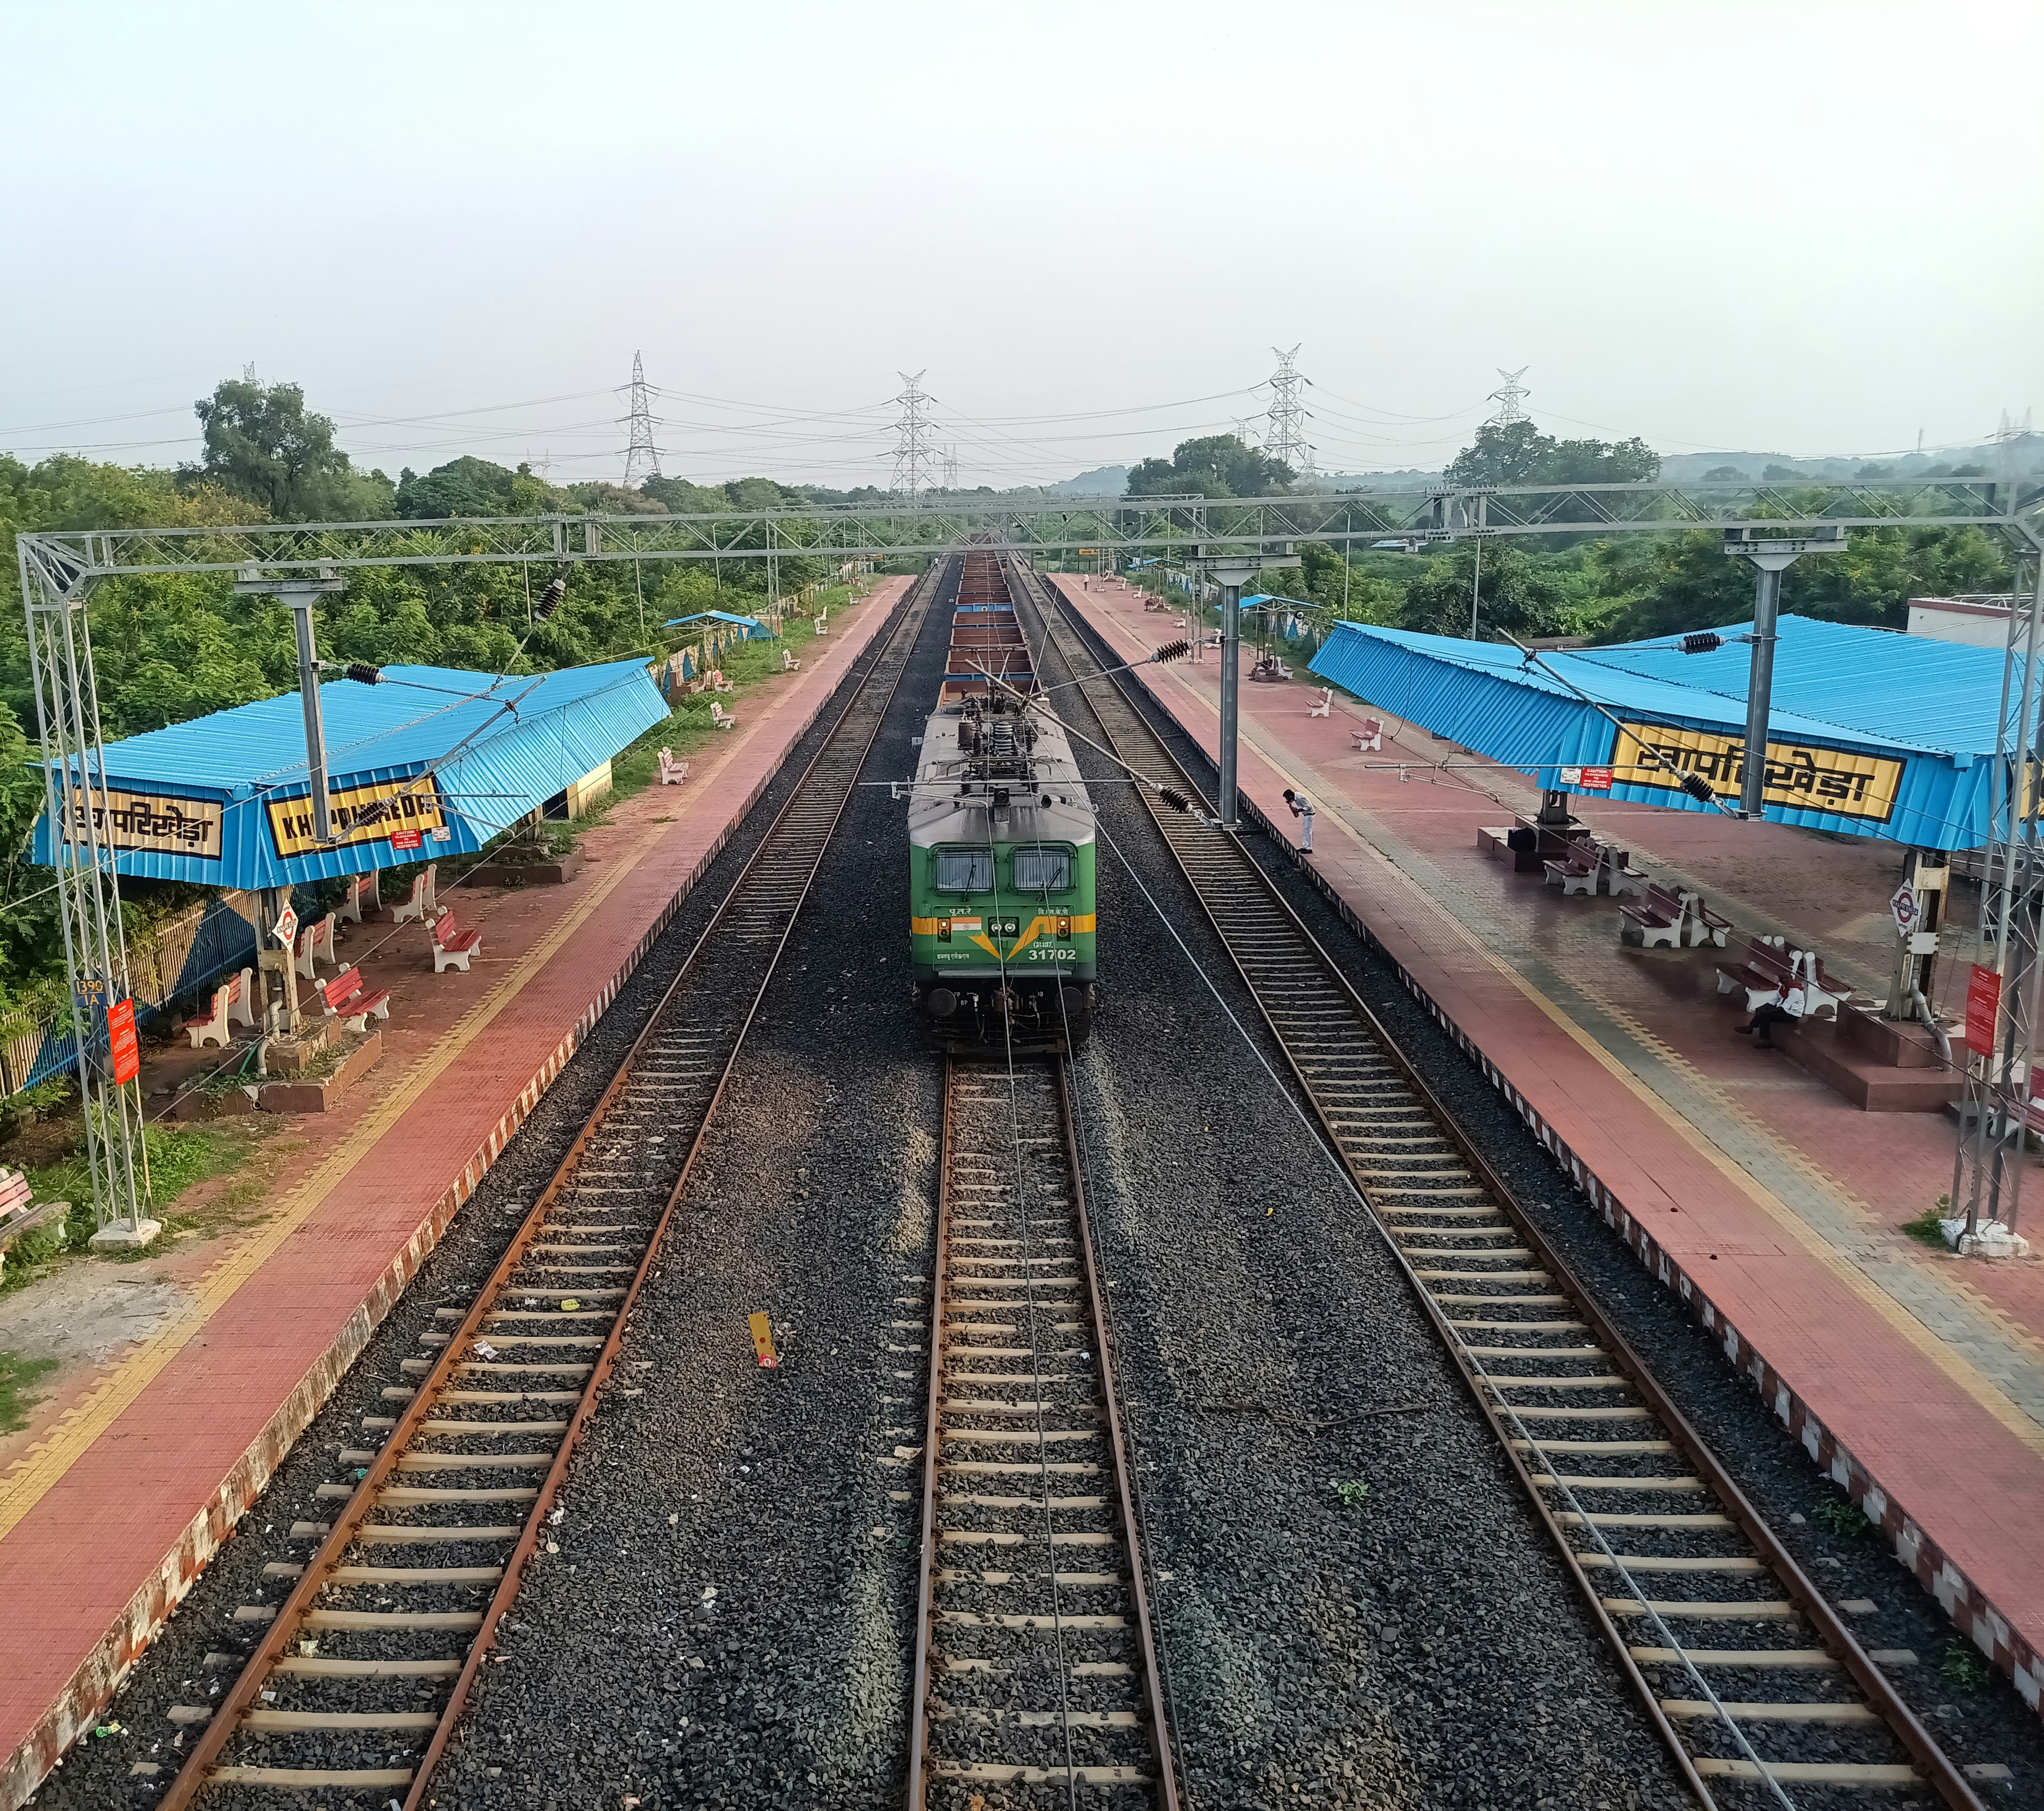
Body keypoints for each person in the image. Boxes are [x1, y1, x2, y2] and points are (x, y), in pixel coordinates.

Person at [1737, 980, 1805, 1048]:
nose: (1783, 980)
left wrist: (1767, 1012)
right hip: (1783, 1008)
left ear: (1791, 978)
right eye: (1781, 979)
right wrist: (1763, 1007)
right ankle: (1752, 1028)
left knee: (1765, 1015)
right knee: (1762, 1011)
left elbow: (1785, 1007)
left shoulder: (1795, 991)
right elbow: (1776, 1000)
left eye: (1785, 978)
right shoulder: (1784, 987)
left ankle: (1764, 1039)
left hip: (1792, 1014)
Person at [1283, 787, 1316, 854]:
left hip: (1309, 815)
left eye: (1288, 798)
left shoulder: (1300, 798)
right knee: (1305, 832)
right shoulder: (1296, 797)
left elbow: (1308, 807)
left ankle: (1309, 848)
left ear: (1290, 796)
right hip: (1306, 815)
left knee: (1308, 832)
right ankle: (1305, 847)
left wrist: (1298, 810)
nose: (1288, 800)